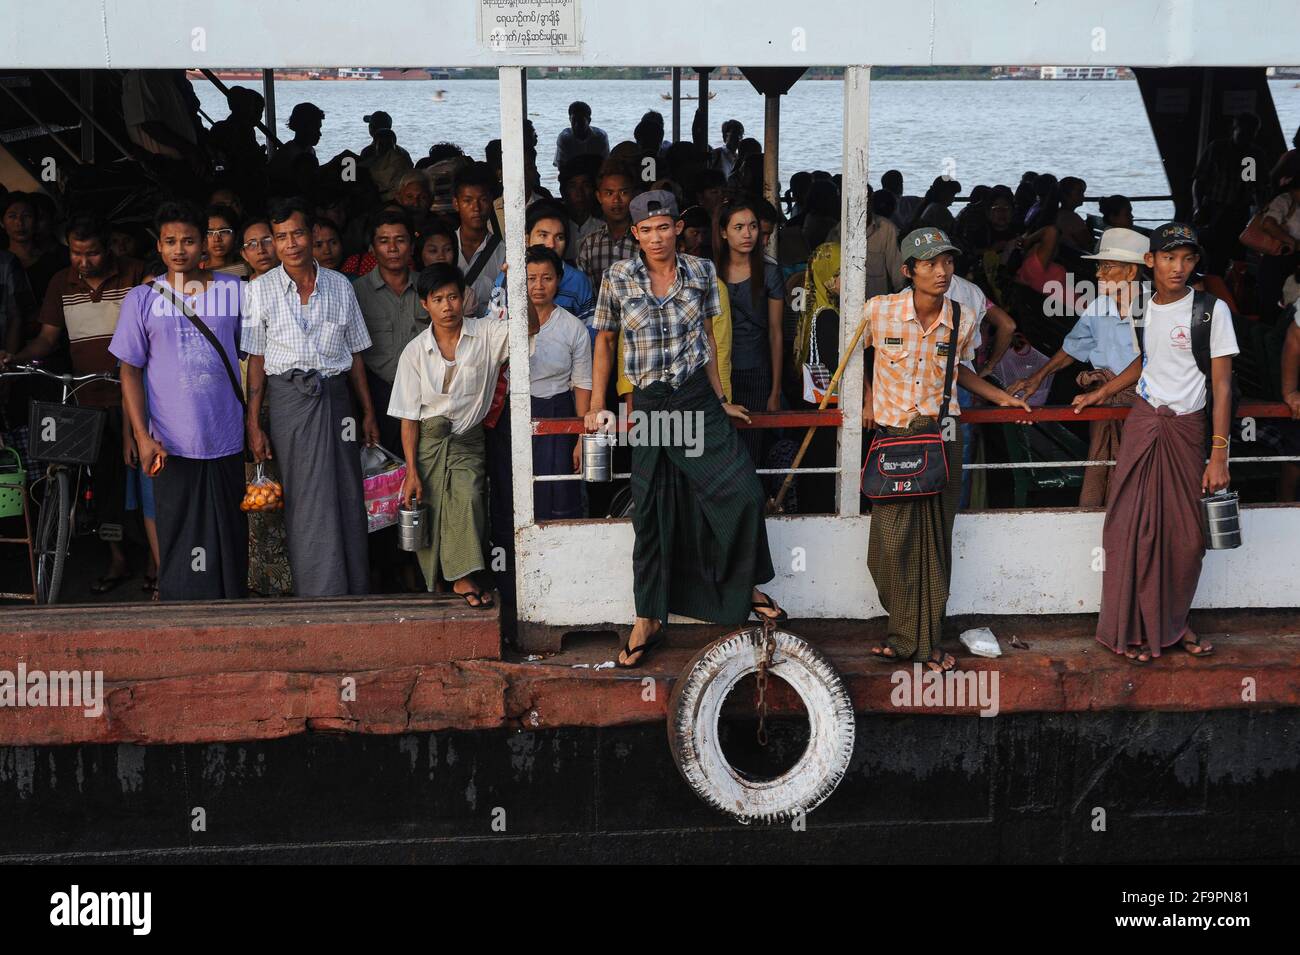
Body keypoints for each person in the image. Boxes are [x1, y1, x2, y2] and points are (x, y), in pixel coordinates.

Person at [585, 190, 786, 668]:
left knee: (743, 494)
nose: (656, 237)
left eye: (664, 226)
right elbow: (606, 343)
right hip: (652, 407)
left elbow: (709, 343)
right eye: (646, 229)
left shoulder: (700, 273)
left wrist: (721, 400)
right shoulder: (618, 277)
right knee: (651, 512)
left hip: (696, 399)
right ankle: (647, 618)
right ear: (635, 235)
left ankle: (744, 586)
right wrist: (597, 405)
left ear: (677, 228)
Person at [863, 229, 1031, 671]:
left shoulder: (962, 317)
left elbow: (959, 370)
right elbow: (853, 358)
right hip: (895, 437)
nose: (941, 271)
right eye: (930, 263)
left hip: (942, 437)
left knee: (936, 543)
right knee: (890, 545)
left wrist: (999, 397)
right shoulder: (878, 313)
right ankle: (907, 633)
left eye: (947, 262)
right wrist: (866, 397)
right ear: (908, 271)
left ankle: (919, 642)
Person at [1073, 223, 1237, 663]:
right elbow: (1146, 362)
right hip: (1145, 423)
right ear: (1151, 262)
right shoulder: (1143, 308)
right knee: (1127, 529)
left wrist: (1218, 454)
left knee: (1186, 538)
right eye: (1168, 258)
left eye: (1186, 259)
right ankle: (1131, 629)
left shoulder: (1209, 311)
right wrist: (1102, 393)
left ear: (1195, 263)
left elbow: (1222, 386)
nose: (1178, 268)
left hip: (1187, 429)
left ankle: (1173, 625)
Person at [1, 214, 148, 592]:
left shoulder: (135, 274)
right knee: (101, 484)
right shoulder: (60, 282)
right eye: (77, 253)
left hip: (138, 397)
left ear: (109, 246)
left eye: (93, 253)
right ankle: (117, 559)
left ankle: (155, 559)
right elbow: (48, 340)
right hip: (87, 397)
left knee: (145, 482)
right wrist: (13, 358)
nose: (83, 262)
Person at [108, 200, 247, 600]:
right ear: (159, 246)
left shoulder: (233, 289)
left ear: (204, 243)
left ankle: (234, 613)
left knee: (232, 532)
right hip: (171, 440)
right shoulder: (142, 299)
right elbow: (129, 371)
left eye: (188, 240)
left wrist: (255, 422)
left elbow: (255, 357)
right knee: (180, 534)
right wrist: (141, 434)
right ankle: (186, 617)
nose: (180, 249)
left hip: (227, 434)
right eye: (170, 241)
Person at [242, 197, 379, 598]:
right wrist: (254, 423)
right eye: (280, 237)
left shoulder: (339, 285)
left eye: (298, 233)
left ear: (312, 235)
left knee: (347, 492)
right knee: (304, 498)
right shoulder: (260, 290)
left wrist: (367, 412)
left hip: (338, 401)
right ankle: (319, 593)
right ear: (273, 242)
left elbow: (355, 355)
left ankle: (353, 588)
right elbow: (256, 359)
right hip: (289, 402)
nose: (291, 244)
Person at [389, 263, 507, 607]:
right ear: (424, 304)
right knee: (431, 508)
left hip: (468, 439)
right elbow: (409, 418)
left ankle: (462, 577)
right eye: (438, 299)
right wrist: (411, 471)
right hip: (428, 441)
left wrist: (517, 281)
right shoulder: (414, 352)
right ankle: (439, 579)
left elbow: (527, 328)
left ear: (464, 297)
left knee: (469, 499)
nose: (447, 306)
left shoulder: (486, 332)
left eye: (453, 297)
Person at [1009, 228, 1149, 505]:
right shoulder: (1100, 306)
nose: (1098, 275)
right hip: (1106, 403)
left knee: (1141, 481)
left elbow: (1148, 362)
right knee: (1107, 473)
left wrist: (1102, 392)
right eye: (1099, 267)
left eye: (1107, 267)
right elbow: (1073, 347)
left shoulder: (1153, 308)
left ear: (1131, 272)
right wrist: (1038, 377)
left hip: (1142, 407)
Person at [523, 245, 592, 520]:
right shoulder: (503, 320)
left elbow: (583, 383)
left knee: (560, 487)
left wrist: (580, 437)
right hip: (517, 411)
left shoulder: (573, 327)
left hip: (559, 412)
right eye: (531, 278)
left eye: (547, 278)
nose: (538, 286)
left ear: (559, 280)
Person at [714, 198, 784, 466]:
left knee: (752, 452)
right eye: (739, 227)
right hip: (719, 374)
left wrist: (775, 391)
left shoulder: (769, 273)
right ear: (723, 232)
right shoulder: (708, 273)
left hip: (756, 371)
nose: (747, 234)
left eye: (753, 227)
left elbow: (776, 333)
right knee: (721, 450)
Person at [353, 209, 428, 455]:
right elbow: (355, 355)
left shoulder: (429, 287)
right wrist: (367, 412)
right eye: (384, 241)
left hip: (428, 394)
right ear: (372, 249)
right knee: (386, 475)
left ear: (412, 245)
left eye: (401, 240)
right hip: (380, 395)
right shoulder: (356, 293)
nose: (393, 248)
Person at [576, 159, 640, 291]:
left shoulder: (644, 240)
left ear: (633, 195)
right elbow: (583, 293)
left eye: (623, 193)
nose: (616, 200)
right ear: (599, 197)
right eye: (609, 193)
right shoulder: (589, 244)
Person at [452, 163, 506, 317]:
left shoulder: (503, 253)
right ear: (456, 203)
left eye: (482, 200)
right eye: (468, 200)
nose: (476, 208)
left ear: (491, 202)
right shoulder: (444, 249)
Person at [267, 102, 325, 193]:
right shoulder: (287, 155)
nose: (319, 133)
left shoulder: (308, 150)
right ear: (303, 127)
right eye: (315, 128)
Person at [554, 101, 610, 169]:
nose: (577, 125)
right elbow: (562, 166)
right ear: (569, 120)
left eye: (581, 121)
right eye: (574, 120)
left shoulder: (600, 137)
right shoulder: (565, 138)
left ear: (589, 120)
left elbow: (605, 164)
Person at [203, 205, 248, 277]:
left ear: (236, 234)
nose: (217, 239)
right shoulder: (193, 270)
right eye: (209, 233)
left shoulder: (249, 266)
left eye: (224, 231)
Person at [1055, 176, 1094, 252]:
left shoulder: (1056, 213)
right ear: (1066, 196)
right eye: (1079, 193)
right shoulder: (1072, 219)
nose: (1083, 196)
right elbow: (1088, 245)